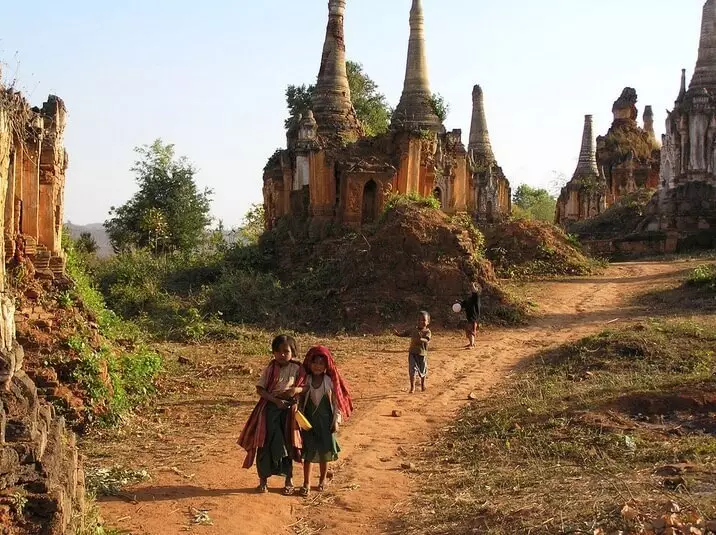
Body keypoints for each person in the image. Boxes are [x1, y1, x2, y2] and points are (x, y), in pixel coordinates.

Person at [237, 335, 306, 495]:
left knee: (288, 444)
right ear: (273, 352)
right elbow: (260, 389)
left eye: (286, 351)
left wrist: (296, 390)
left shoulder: (298, 369)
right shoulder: (270, 369)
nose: (282, 354)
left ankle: (289, 480)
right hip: (270, 410)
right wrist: (275, 401)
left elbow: (305, 387)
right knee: (265, 443)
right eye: (278, 351)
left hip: (289, 411)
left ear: (292, 352)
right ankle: (263, 481)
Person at [299, 346, 353, 497]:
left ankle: (322, 480)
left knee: (324, 453)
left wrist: (336, 421)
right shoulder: (306, 380)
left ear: (326, 366)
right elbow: (300, 398)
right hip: (308, 423)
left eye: (321, 363)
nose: (317, 366)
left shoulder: (329, 381)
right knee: (308, 454)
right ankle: (306, 483)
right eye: (315, 362)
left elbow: (337, 403)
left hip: (326, 423)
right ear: (309, 364)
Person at [394, 311, 432, 393]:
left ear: (428, 322)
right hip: (412, 353)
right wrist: (397, 334)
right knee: (412, 370)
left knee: (423, 371)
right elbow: (405, 333)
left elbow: (427, 340)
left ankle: (422, 385)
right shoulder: (413, 329)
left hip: (422, 354)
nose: (421, 322)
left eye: (423, 320)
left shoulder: (427, 332)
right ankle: (412, 387)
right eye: (419, 320)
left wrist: (420, 339)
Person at [461, 282, 482, 349]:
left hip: (474, 317)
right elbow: (463, 304)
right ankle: (471, 343)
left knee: (471, 330)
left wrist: (473, 285)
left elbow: (474, 290)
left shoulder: (476, 296)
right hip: (469, 317)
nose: (471, 289)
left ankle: (472, 345)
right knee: (468, 330)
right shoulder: (469, 299)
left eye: (474, 287)